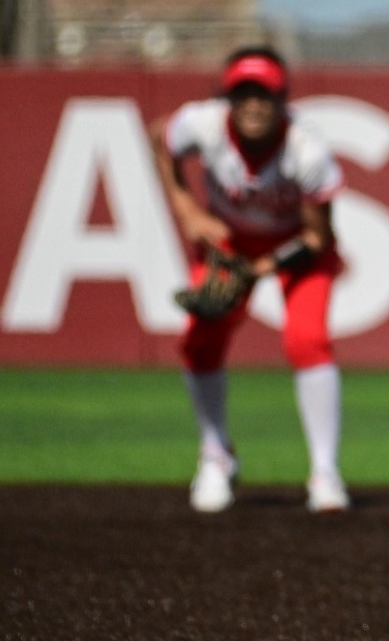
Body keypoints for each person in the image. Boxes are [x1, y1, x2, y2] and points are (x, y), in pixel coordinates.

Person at [150, 46, 350, 514]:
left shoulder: (306, 146)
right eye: (243, 94)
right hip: (229, 242)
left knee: (308, 340)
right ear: (228, 98)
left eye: (264, 95)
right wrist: (185, 207)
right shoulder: (204, 124)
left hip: (296, 246)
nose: (253, 105)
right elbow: (160, 136)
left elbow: (318, 237)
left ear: (283, 100)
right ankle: (216, 453)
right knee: (200, 340)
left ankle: (325, 471)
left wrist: (261, 269)